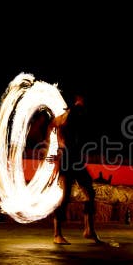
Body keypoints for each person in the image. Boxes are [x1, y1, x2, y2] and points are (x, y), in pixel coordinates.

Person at [46, 92, 101, 244]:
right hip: (67, 160)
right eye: (81, 100)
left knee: (90, 193)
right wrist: (57, 152)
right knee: (66, 196)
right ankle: (57, 234)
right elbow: (54, 127)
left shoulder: (73, 115)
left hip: (75, 160)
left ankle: (89, 230)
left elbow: (55, 127)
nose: (82, 103)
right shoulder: (70, 115)